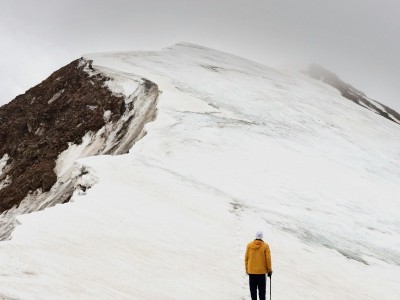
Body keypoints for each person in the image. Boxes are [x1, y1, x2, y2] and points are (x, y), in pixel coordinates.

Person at [245, 231, 272, 300]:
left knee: (253, 291)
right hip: (261, 273)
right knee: (262, 291)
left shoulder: (249, 245)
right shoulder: (265, 246)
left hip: (251, 272)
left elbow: (246, 258)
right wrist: (269, 270)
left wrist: (247, 269)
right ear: (262, 237)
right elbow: (268, 259)